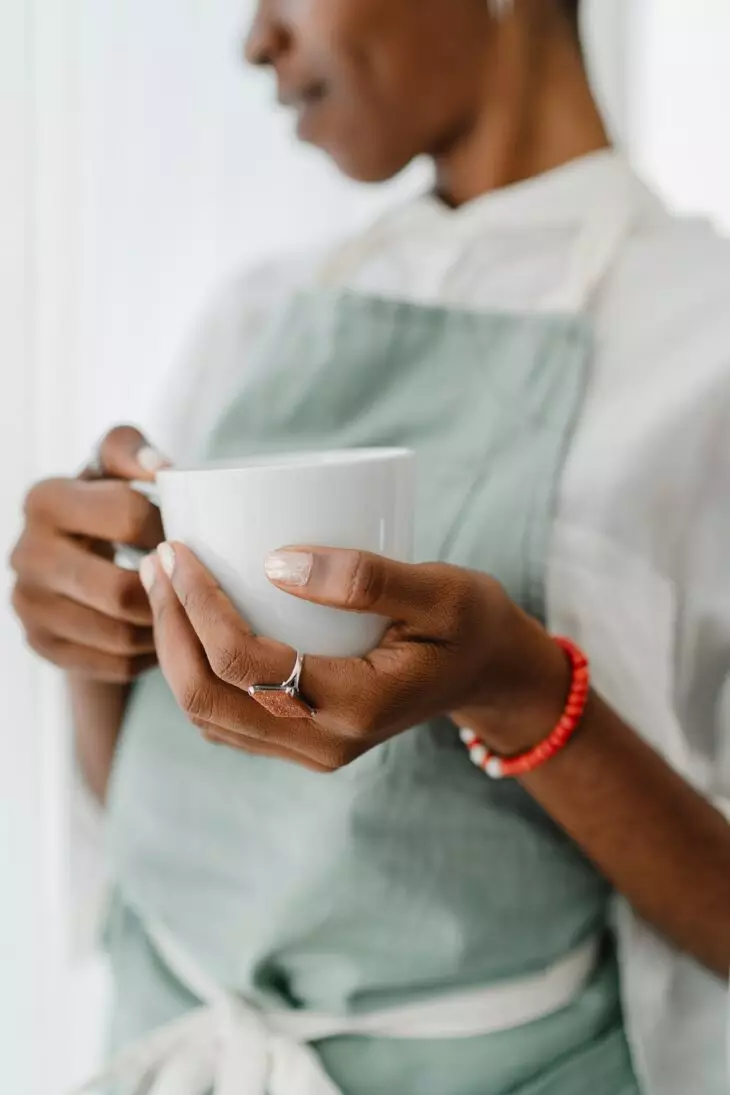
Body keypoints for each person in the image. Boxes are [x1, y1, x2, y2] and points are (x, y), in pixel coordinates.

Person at [9, 1, 730, 1093]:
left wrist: (518, 690)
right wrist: (96, 634)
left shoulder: (701, 342)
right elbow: (163, 816)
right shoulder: (258, 315)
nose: (256, 42)